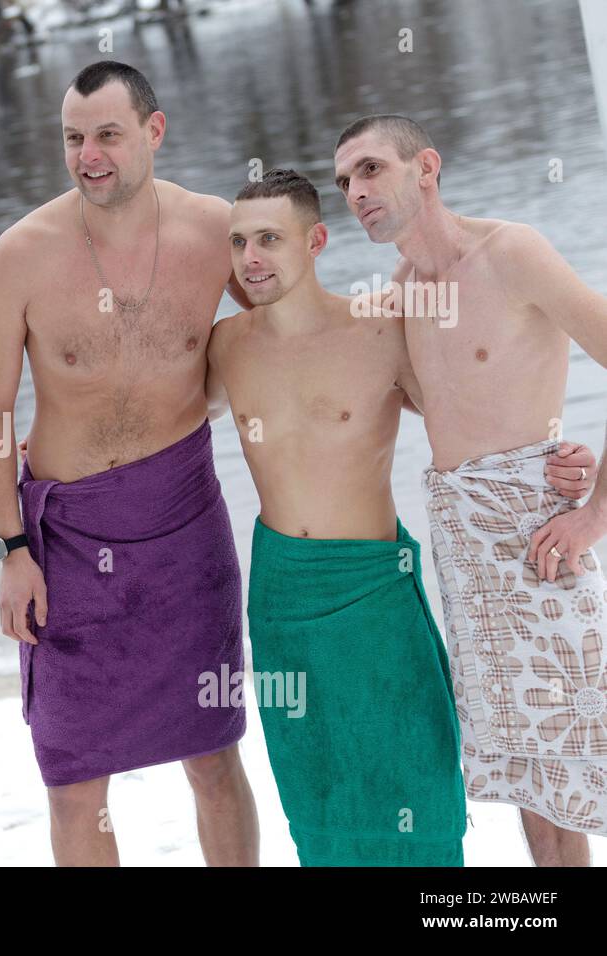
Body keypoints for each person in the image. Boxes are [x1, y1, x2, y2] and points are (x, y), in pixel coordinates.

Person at [0, 60, 257, 866]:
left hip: (185, 529)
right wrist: (11, 550)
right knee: (72, 778)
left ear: (154, 132)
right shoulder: (20, 254)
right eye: (72, 139)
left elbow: (290, 337)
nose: (88, 155)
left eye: (106, 135)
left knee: (213, 752)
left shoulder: (212, 230)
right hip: (62, 546)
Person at [334, 114, 607, 864]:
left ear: (426, 168)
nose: (356, 192)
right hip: (466, 552)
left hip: (544, 539)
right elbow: (334, 367)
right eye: (345, 182)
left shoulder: (511, 251)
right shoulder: (400, 293)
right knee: (527, 770)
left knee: (584, 754)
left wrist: (595, 515)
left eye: (370, 170)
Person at [207, 168, 465, 865]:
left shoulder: (380, 325)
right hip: (284, 594)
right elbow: (155, 422)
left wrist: (552, 457)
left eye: (269, 239)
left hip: (375, 588)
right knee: (317, 791)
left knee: (418, 773)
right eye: (237, 243)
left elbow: (465, 414)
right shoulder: (227, 346)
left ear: (316, 240)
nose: (250, 258)